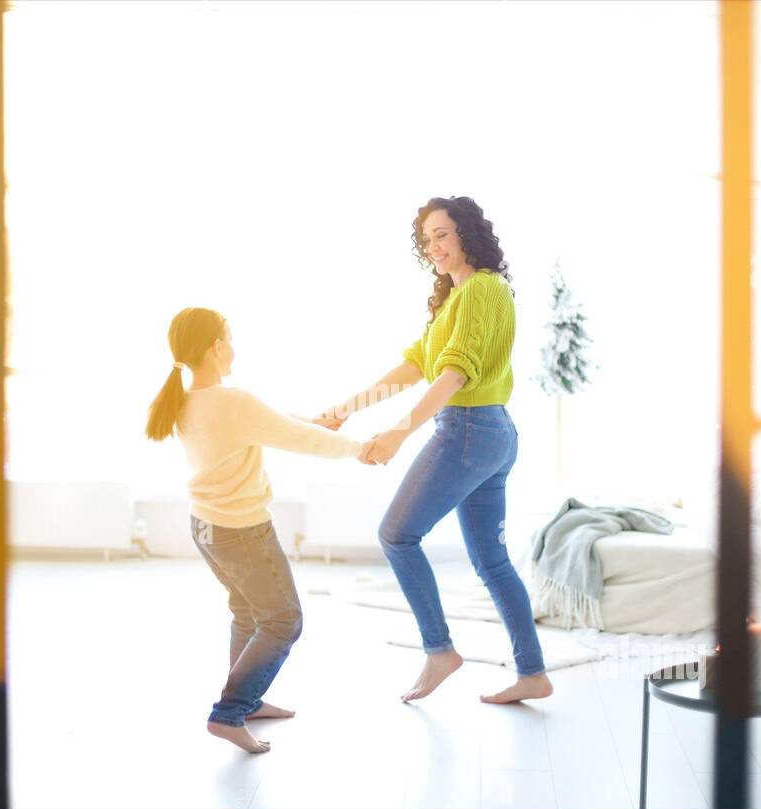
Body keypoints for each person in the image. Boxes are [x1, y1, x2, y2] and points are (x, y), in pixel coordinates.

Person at [314, 196, 553, 704]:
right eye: (428, 240)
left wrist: (399, 432)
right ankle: (533, 673)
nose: (435, 247)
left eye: (443, 234)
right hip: (489, 434)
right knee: (491, 561)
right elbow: (417, 364)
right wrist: (348, 407)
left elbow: (454, 372)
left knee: (397, 535)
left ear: (467, 233)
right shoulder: (455, 297)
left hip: (469, 431)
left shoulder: (482, 290)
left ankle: (439, 650)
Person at [146, 307, 374, 753]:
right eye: (229, 338)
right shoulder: (233, 402)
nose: (233, 348)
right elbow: (294, 437)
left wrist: (311, 420)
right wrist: (359, 449)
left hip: (206, 527)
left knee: (248, 615)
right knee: (284, 620)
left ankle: (247, 702)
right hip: (243, 532)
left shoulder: (183, 402)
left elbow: (273, 425)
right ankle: (229, 713)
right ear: (216, 347)